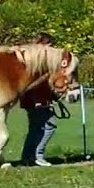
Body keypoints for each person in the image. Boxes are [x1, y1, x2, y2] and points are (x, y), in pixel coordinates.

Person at [19, 32, 59, 167]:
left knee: (36, 128)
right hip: (35, 99)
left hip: (39, 98)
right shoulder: (34, 61)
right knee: (49, 125)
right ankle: (38, 155)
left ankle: (27, 156)